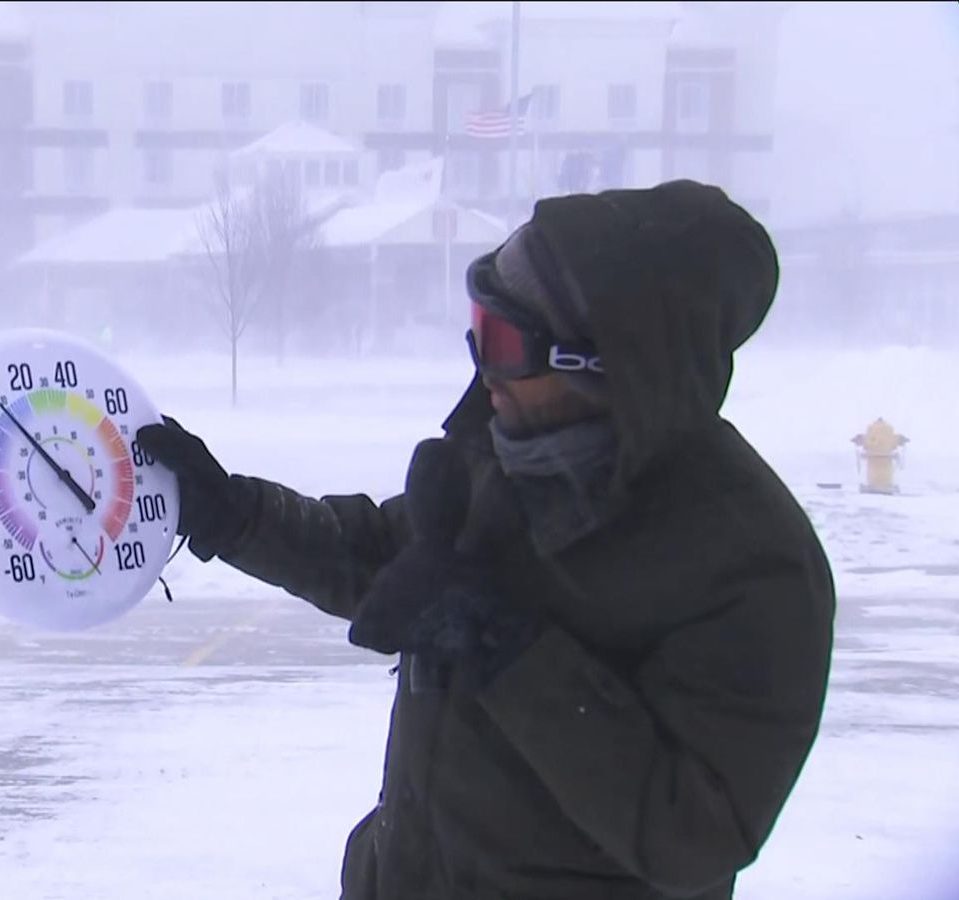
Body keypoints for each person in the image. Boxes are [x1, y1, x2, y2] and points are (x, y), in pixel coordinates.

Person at [136, 180, 835, 900]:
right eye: (477, 325)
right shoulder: (512, 459)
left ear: (604, 363)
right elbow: (384, 551)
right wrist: (232, 513)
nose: (480, 362)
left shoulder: (752, 563)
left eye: (504, 339)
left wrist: (505, 648)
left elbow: (694, 832)